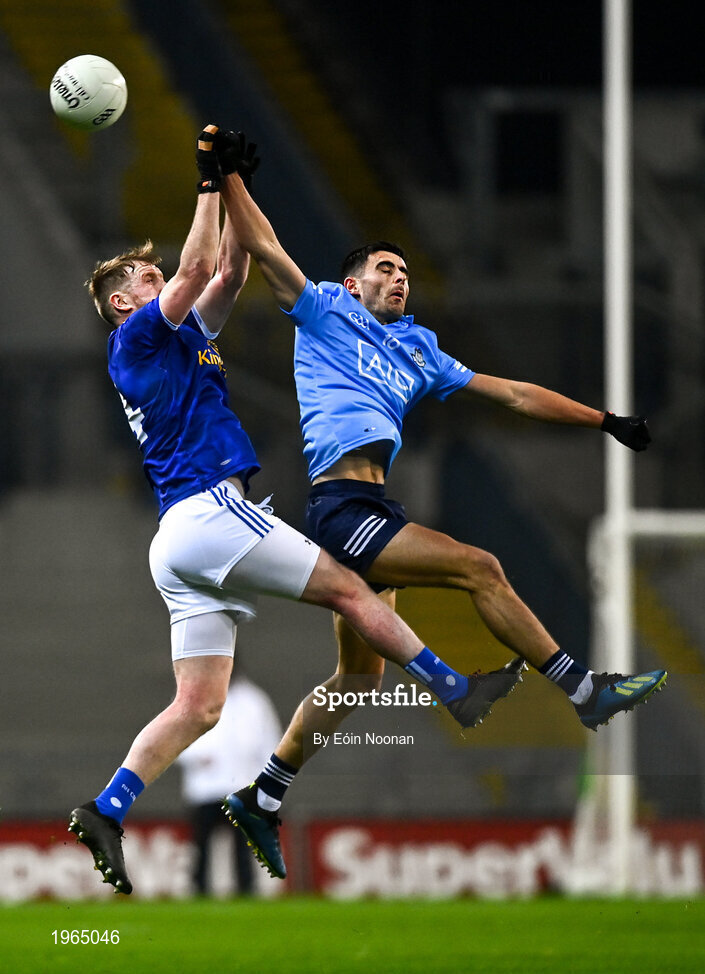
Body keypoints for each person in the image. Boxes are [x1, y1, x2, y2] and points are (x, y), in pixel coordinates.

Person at [68, 125, 528, 895]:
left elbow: (227, 270)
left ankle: (108, 806)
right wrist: (207, 184)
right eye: (143, 279)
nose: (160, 282)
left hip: (178, 539)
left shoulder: (179, 340)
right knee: (351, 587)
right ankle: (455, 687)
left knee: (199, 703)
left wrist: (229, 185)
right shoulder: (139, 338)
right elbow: (192, 266)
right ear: (123, 302)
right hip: (209, 511)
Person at [212, 128, 667, 877]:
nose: (399, 278)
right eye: (383, 269)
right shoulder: (324, 311)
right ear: (351, 282)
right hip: (340, 509)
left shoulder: (420, 349)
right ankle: (581, 689)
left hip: (367, 511)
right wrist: (226, 177)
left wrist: (604, 421)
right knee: (478, 566)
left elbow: (514, 392)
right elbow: (261, 245)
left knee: (361, 679)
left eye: (404, 272)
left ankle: (262, 796)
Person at [177, 662, 282, 896]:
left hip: (242, 786)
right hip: (205, 787)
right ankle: (198, 889)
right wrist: (196, 756)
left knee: (243, 846)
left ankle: (247, 890)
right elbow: (173, 736)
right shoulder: (192, 696)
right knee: (201, 845)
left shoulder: (254, 701)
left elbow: (270, 742)